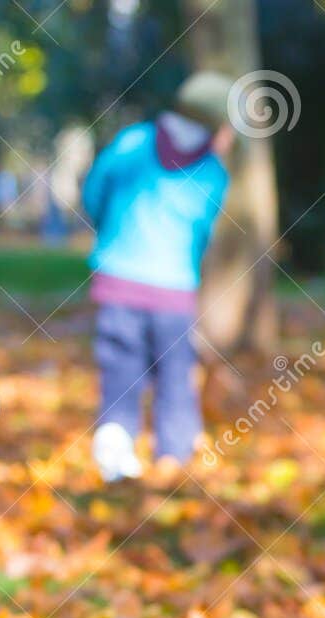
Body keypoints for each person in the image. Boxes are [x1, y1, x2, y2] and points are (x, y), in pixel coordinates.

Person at [82, 72, 235, 481]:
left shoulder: (133, 142)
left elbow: (94, 191)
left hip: (119, 281)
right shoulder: (213, 173)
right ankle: (173, 454)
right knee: (175, 376)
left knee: (121, 367)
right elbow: (202, 232)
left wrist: (108, 231)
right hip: (173, 290)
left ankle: (115, 444)